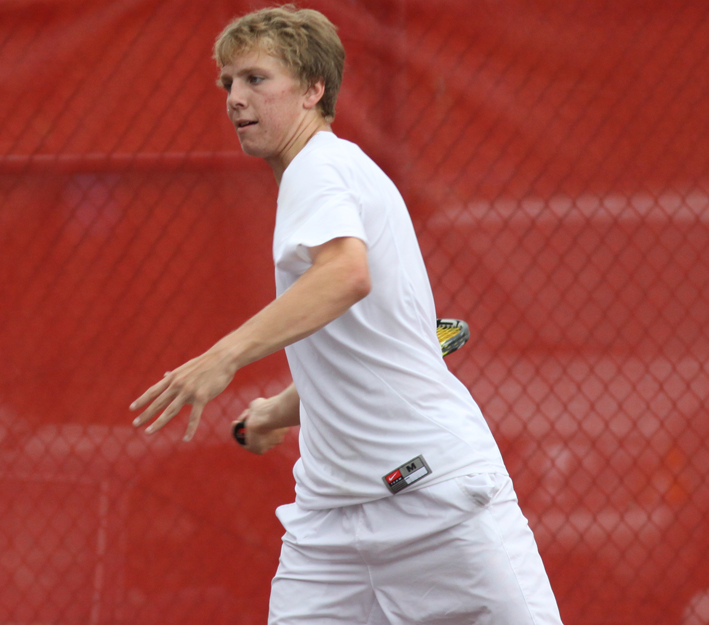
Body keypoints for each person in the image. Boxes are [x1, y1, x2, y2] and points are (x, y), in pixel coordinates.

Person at [130, 5, 564, 624]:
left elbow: (346, 276)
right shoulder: (325, 174)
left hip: (431, 502)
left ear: (313, 90)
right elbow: (353, 346)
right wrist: (280, 410)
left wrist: (221, 359)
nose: (234, 98)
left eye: (256, 79)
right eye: (228, 82)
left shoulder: (319, 168)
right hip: (330, 523)